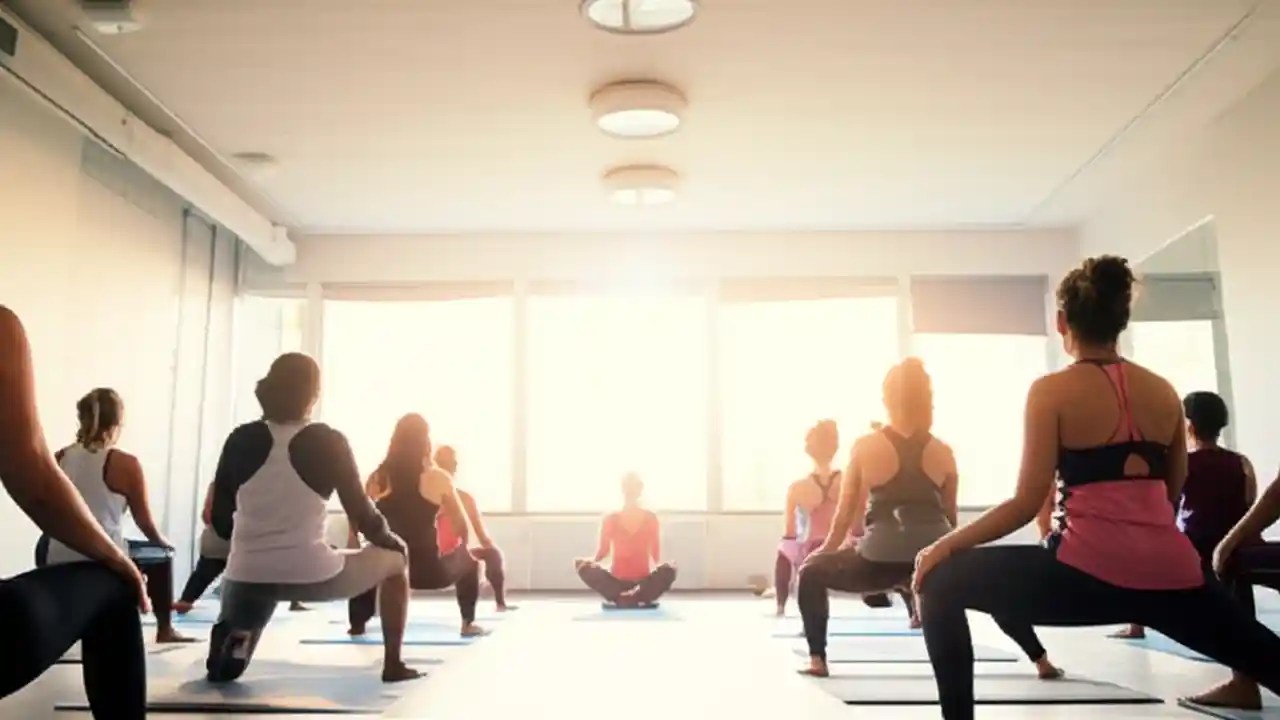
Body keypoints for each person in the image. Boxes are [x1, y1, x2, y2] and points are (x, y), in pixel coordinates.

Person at [911, 256, 1280, 720]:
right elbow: (1171, 495)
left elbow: (1027, 502)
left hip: (1082, 578)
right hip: (1174, 580)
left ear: (1062, 322)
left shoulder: (1051, 391)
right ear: (1120, 321)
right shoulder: (1164, 393)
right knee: (1269, 658)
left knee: (941, 582)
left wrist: (943, 546)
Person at [796, 359, 1062, 679]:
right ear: (927, 401)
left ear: (886, 400)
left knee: (811, 572)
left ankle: (817, 660)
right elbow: (949, 518)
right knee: (993, 589)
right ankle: (1041, 661)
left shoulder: (865, 447)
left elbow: (844, 516)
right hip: (934, 561)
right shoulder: (943, 452)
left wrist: (823, 551)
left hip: (876, 561)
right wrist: (958, 561)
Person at [204, 353, 420, 684]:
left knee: (226, 675)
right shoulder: (329, 441)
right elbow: (362, 513)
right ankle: (393, 665)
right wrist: (394, 542)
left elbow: (219, 520)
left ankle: (235, 635)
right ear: (313, 395)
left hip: (247, 573)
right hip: (312, 573)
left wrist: (258, 545)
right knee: (394, 561)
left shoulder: (239, 439)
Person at [0, 307, 147, 719]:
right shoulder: (1, 330)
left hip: (50, 553)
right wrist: (122, 562)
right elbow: (39, 487)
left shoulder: (68, 454)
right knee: (115, 582)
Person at [38, 388, 194, 644]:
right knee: (163, 554)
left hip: (57, 553)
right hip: (104, 554)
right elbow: (145, 523)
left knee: (47, 540)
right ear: (117, 423)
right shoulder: (126, 464)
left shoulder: (59, 458)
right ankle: (165, 629)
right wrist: (164, 542)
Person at [1109, 391, 1257, 640]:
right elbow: (1249, 503)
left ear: (1188, 425)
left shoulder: (1181, 463)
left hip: (1195, 544)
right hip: (1234, 544)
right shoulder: (1242, 462)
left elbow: (1167, 507)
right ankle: (1245, 630)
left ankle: (1136, 626)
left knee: (1137, 559)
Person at [348, 415, 487, 637]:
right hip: (427, 572)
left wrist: (356, 547)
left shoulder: (378, 477)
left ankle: (357, 625)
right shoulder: (437, 477)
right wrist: (460, 552)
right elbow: (461, 526)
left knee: (367, 563)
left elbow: (357, 519)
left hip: (386, 568)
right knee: (471, 564)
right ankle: (467, 623)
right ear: (426, 442)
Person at [1186, 467, 1280, 709]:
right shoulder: (1240, 464)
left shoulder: (1192, 464)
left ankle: (1243, 682)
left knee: (1232, 564)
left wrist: (1230, 542)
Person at [173, 480, 312, 615]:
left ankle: (185, 602)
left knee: (204, 573)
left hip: (219, 540)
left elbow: (206, 515)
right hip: (250, 542)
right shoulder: (265, 484)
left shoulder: (219, 484)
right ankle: (291, 600)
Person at [576, 473, 677, 607]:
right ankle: (633, 596)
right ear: (623, 490)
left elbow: (655, 555)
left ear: (640, 490)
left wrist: (663, 571)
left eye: (633, 487)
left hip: (642, 583)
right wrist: (588, 564)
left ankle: (627, 596)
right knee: (582, 565)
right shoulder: (611, 518)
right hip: (617, 582)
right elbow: (602, 552)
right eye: (628, 487)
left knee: (670, 569)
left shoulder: (650, 518)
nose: (630, 491)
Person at [434, 445, 515, 612]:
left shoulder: (464, 499)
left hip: (455, 555)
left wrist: (492, 554)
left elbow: (482, 535)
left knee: (492, 553)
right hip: (430, 558)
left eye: (451, 463)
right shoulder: (426, 498)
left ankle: (500, 603)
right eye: (445, 463)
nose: (450, 467)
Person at [776, 420, 844, 615]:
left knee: (784, 550)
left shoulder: (798, 488)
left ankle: (780, 606)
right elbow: (859, 521)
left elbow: (791, 532)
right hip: (840, 543)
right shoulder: (846, 481)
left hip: (815, 547)